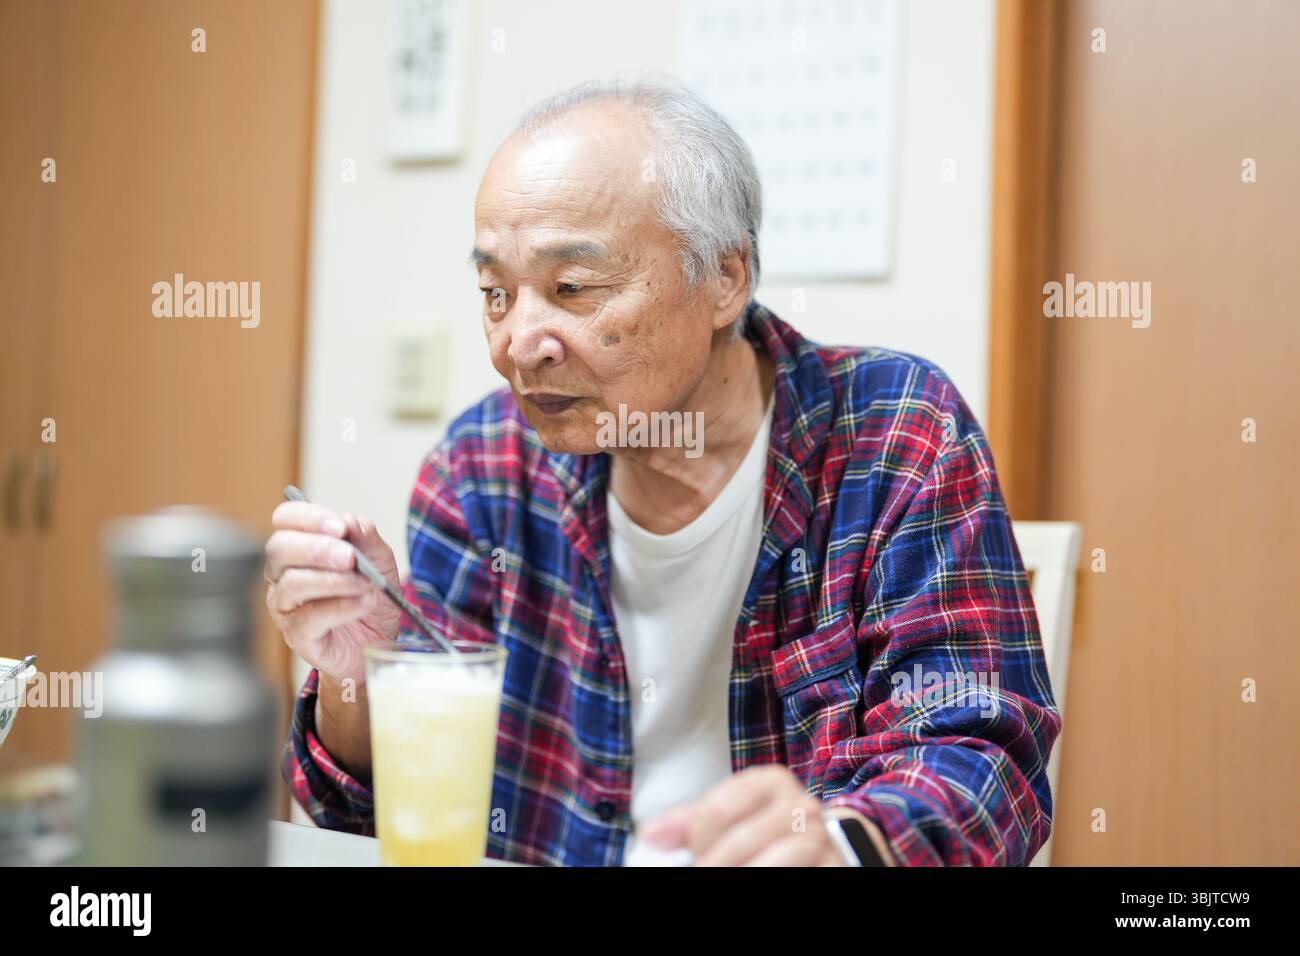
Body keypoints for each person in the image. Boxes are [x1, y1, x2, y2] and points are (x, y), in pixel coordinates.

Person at [265, 77, 1060, 867]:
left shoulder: (897, 432)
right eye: (495, 293)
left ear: (725, 278)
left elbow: (983, 757)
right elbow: (376, 816)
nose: (519, 342)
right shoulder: (483, 470)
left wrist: (842, 848)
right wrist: (357, 678)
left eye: (572, 287)